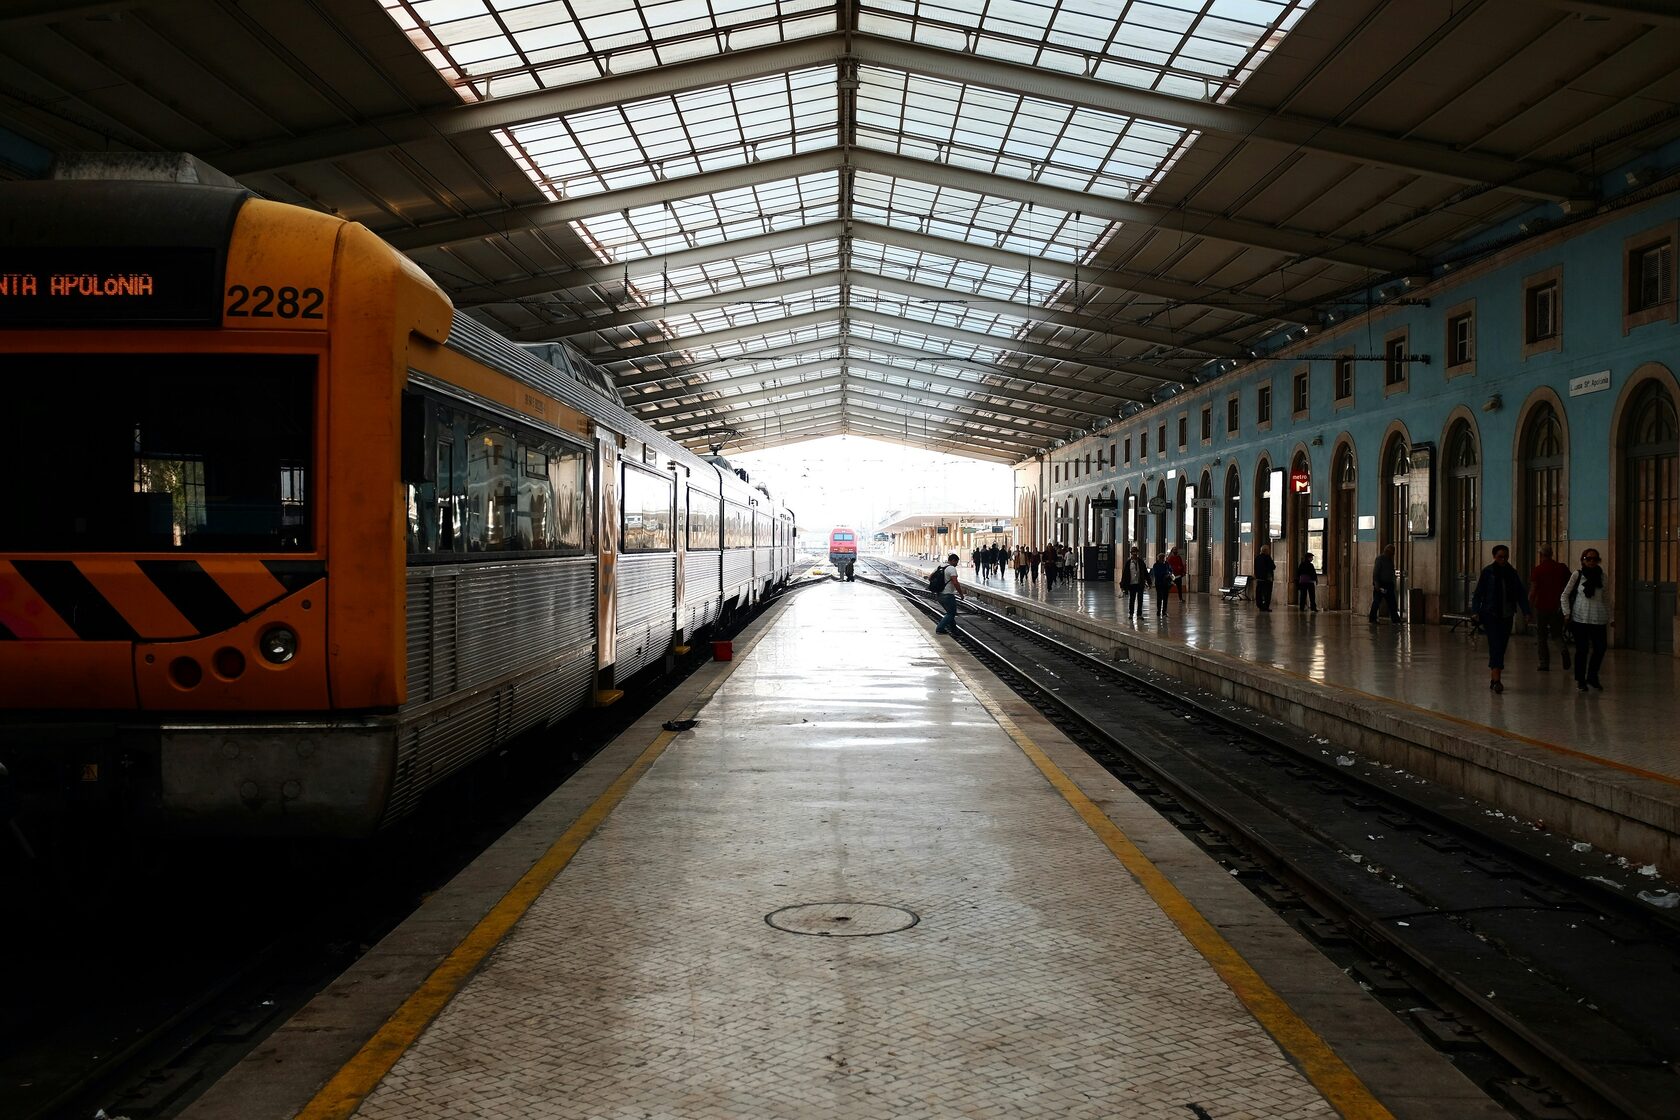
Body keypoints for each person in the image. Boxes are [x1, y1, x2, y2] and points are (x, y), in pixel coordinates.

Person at [1470, 544, 1533, 694]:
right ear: (1494, 557)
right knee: (1495, 644)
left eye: (1505, 557)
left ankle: (1494, 676)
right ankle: (1497, 680)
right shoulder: (1488, 573)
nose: (1503, 560)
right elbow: (1478, 594)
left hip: (1507, 615)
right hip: (1490, 614)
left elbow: (1521, 594)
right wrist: (1475, 611)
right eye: (1500, 557)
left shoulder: (1512, 573)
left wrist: (1526, 611)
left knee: (1502, 646)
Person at [1562, 549, 1611, 691]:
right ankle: (1580, 679)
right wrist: (1567, 613)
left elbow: (1606, 598)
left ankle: (1592, 676)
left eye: (1594, 559)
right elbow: (1564, 595)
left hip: (1599, 618)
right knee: (1582, 650)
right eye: (1588, 559)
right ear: (1583, 560)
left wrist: (1611, 616)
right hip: (1580, 618)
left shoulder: (1603, 577)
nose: (1591, 561)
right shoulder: (1577, 575)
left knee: (1600, 649)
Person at [1529, 546, 1571, 671]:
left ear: (1541, 555)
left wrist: (1528, 607)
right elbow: (1570, 585)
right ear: (1552, 554)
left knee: (1541, 636)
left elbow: (1533, 590)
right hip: (1558, 606)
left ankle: (1544, 663)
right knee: (1557, 634)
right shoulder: (1561, 568)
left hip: (1542, 606)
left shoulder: (1538, 570)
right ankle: (1563, 650)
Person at [932, 551, 965, 635]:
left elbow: (930, 577)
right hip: (948, 595)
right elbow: (955, 582)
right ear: (953, 560)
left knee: (950, 613)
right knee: (951, 613)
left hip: (939, 594)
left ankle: (954, 630)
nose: (957, 564)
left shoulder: (940, 566)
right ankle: (940, 628)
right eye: (956, 562)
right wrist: (961, 594)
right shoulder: (951, 568)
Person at [1368, 544, 1399, 622]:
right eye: (1392, 552)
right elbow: (1376, 572)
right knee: (1377, 602)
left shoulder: (1390, 560)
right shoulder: (1380, 559)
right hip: (1380, 584)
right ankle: (1372, 618)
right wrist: (1376, 583)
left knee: (1392, 602)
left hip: (1388, 584)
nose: (1393, 554)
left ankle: (1395, 618)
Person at [1121, 545, 1147, 621]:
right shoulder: (1128, 563)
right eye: (1133, 552)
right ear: (1131, 553)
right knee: (1132, 599)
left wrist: (1149, 581)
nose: (1134, 554)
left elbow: (1145, 572)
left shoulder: (1141, 562)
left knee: (1140, 599)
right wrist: (1123, 584)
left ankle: (1139, 614)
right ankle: (1131, 613)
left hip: (1139, 583)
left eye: (1136, 552)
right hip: (1132, 584)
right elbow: (1125, 574)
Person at [1151, 553, 1174, 618]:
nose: (1163, 559)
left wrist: (1170, 573)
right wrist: (1164, 575)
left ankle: (1164, 611)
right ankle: (1158, 611)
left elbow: (1171, 570)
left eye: (1164, 558)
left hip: (1166, 583)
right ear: (1159, 559)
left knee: (1165, 598)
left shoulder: (1166, 564)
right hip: (1159, 583)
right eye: (1162, 558)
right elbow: (1156, 574)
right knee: (1159, 597)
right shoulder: (1156, 565)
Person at [1254, 544, 1275, 612]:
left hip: (1259, 578)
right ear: (1266, 551)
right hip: (1267, 579)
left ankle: (1260, 605)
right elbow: (1273, 566)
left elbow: (1255, 568)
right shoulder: (1267, 557)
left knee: (1259, 593)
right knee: (1267, 593)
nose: (1269, 551)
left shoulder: (1257, 558)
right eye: (1268, 550)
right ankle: (1266, 606)